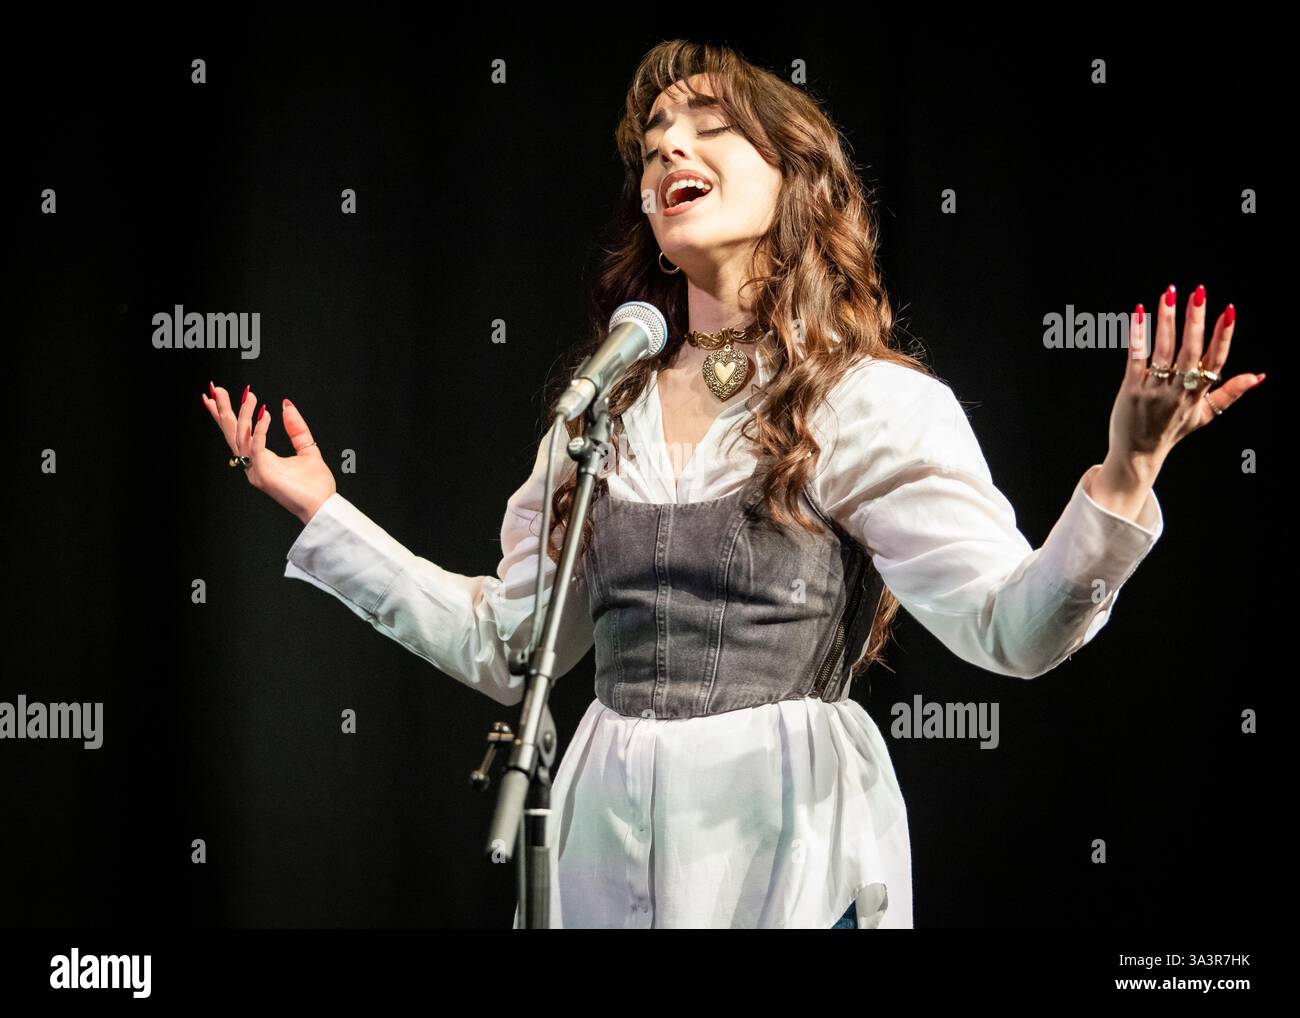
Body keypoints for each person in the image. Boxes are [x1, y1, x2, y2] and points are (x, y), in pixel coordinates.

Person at [199, 41, 1263, 928]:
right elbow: (509, 647)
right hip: (601, 835)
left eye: (709, 125)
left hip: (782, 840)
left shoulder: (864, 400)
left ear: (795, 174)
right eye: (656, 137)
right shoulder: (602, 400)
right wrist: (322, 513)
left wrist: (1126, 470)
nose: (668, 145)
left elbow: (1013, 630)